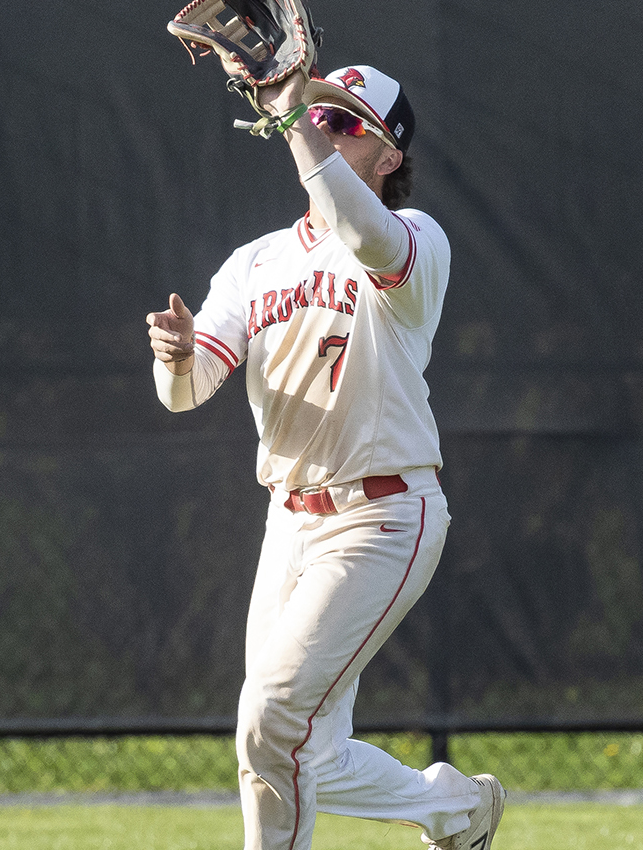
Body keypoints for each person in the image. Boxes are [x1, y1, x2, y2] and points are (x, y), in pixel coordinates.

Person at [145, 66, 503, 850]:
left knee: (271, 722)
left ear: (386, 155)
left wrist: (293, 119)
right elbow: (188, 390)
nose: (324, 128)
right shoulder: (255, 263)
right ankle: (456, 810)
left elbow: (365, 233)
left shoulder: (415, 242)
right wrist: (174, 359)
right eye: (321, 116)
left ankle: (448, 812)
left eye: (345, 123)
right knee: (287, 742)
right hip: (290, 523)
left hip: (382, 517)